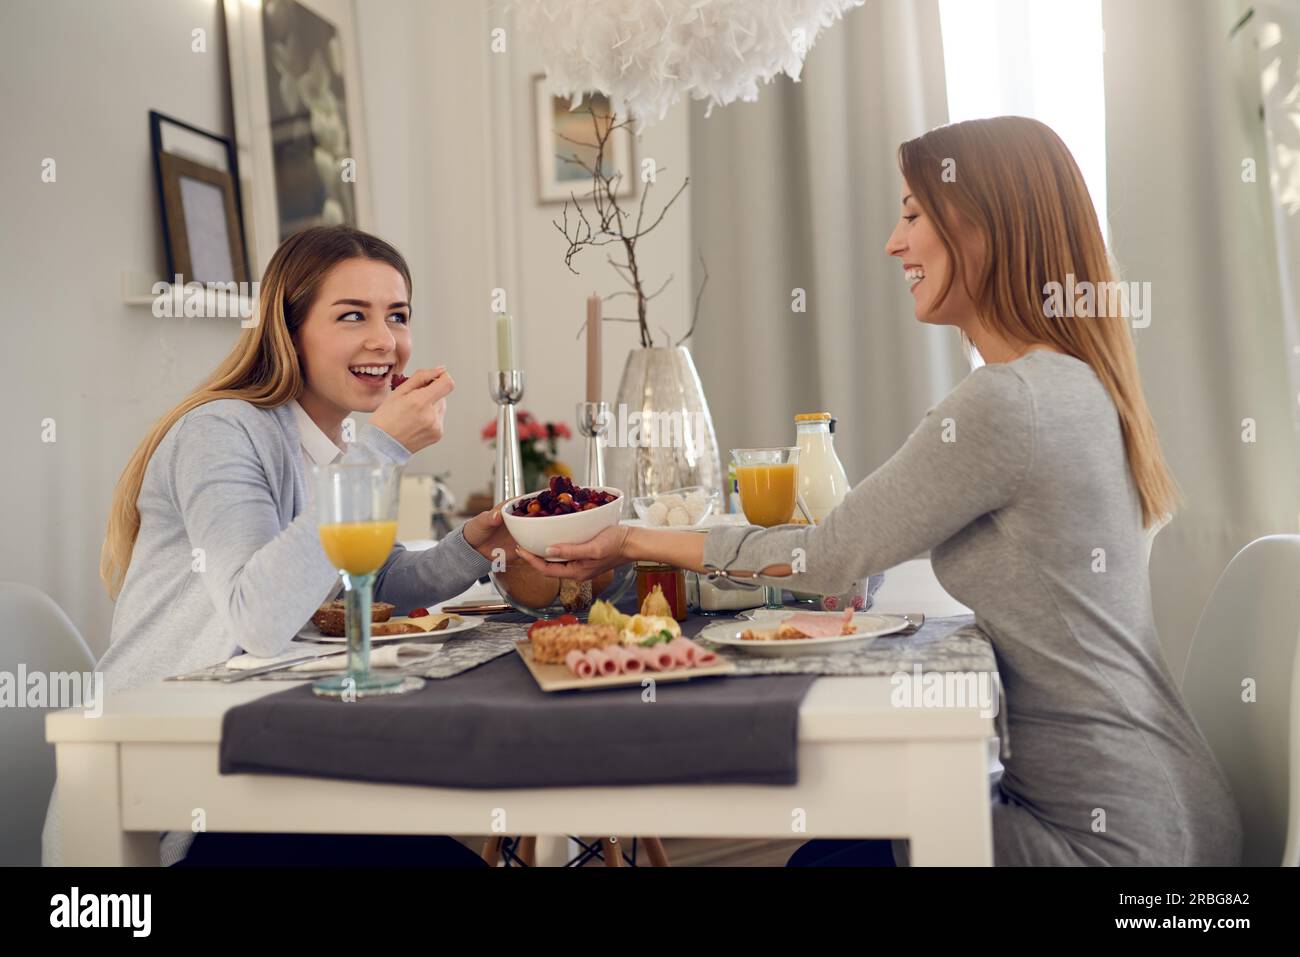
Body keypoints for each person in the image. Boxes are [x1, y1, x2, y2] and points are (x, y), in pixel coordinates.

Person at [516, 117, 1244, 867]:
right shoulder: (1073, 381)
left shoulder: (1006, 402)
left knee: (833, 845)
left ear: (984, 223)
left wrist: (629, 537)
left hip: (1114, 845)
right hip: (1168, 811)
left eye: (911, 214)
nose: (895, 243)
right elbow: (855, 553)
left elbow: (827, 555)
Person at [44, 225, 509, 867]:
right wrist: (381, 450)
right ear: (288, 332)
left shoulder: (337, 444)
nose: (385, 339)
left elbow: (375, 579)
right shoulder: (221, 432)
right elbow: (259, 616)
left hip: (261, 760)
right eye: (353, 315)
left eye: (397, 315)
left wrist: (477, 543)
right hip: (172, 801)